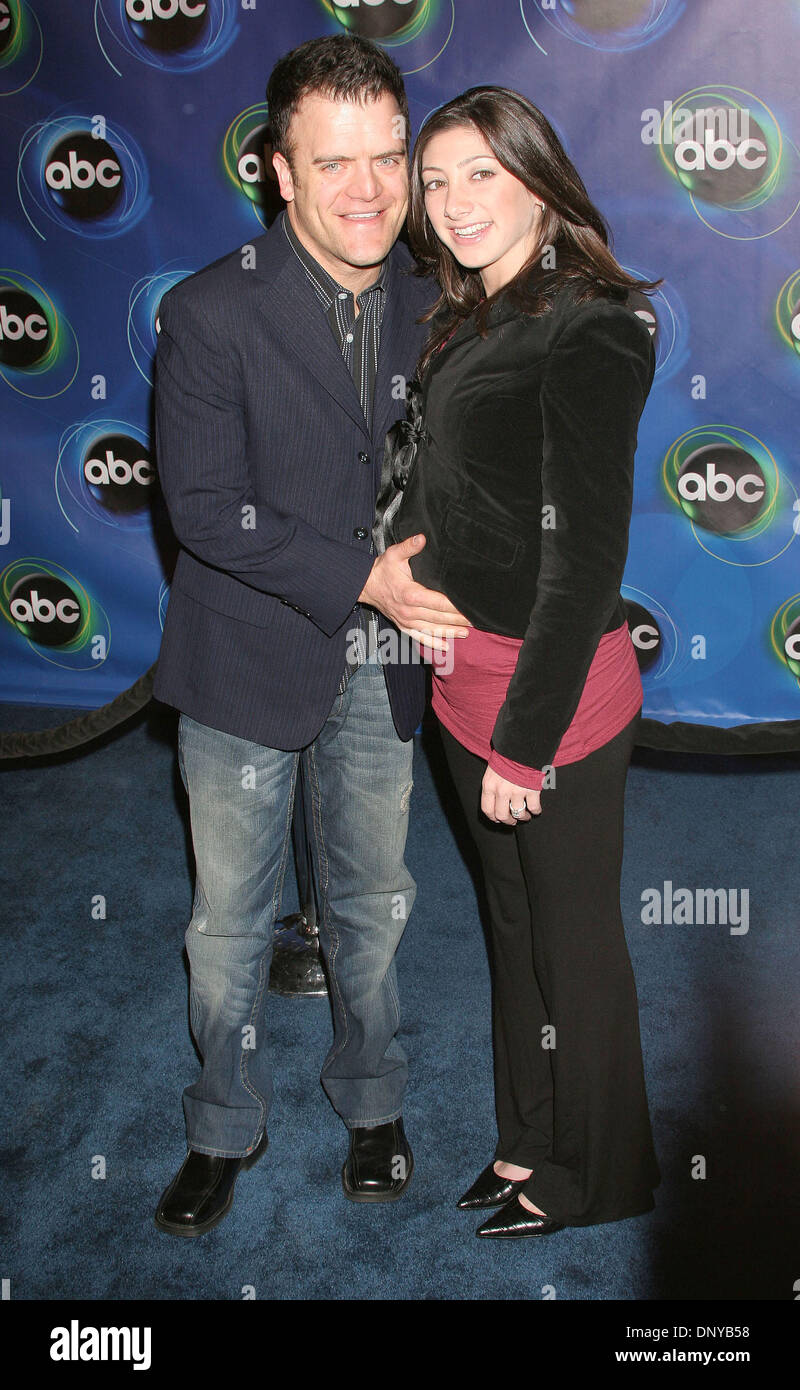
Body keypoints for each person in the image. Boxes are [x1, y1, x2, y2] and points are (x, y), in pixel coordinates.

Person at [151, 34, 470, 1237]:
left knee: (371, 898)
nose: (370, 191)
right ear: (277, 170)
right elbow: (205, 508)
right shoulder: (207, 309)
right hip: (244, 653)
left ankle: (373, 1099)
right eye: (334, 163)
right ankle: (221, 1123)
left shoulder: (439, 299)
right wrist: (367, 582)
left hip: (384, 669)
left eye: (388, 158)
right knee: (228, 923)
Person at [381, 86, 662, 1236]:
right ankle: (527, 1136)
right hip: (466, 679)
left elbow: (583, 558)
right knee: (511, 927)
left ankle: (601, 1174)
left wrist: (524, 742)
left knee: (573, 938)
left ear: (537, 180)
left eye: (478, 176)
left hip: (552, 702)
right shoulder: (468, 310)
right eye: (434, 181)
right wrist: (401, 568)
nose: (451, 205)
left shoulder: (590, 325)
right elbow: (461, 487)